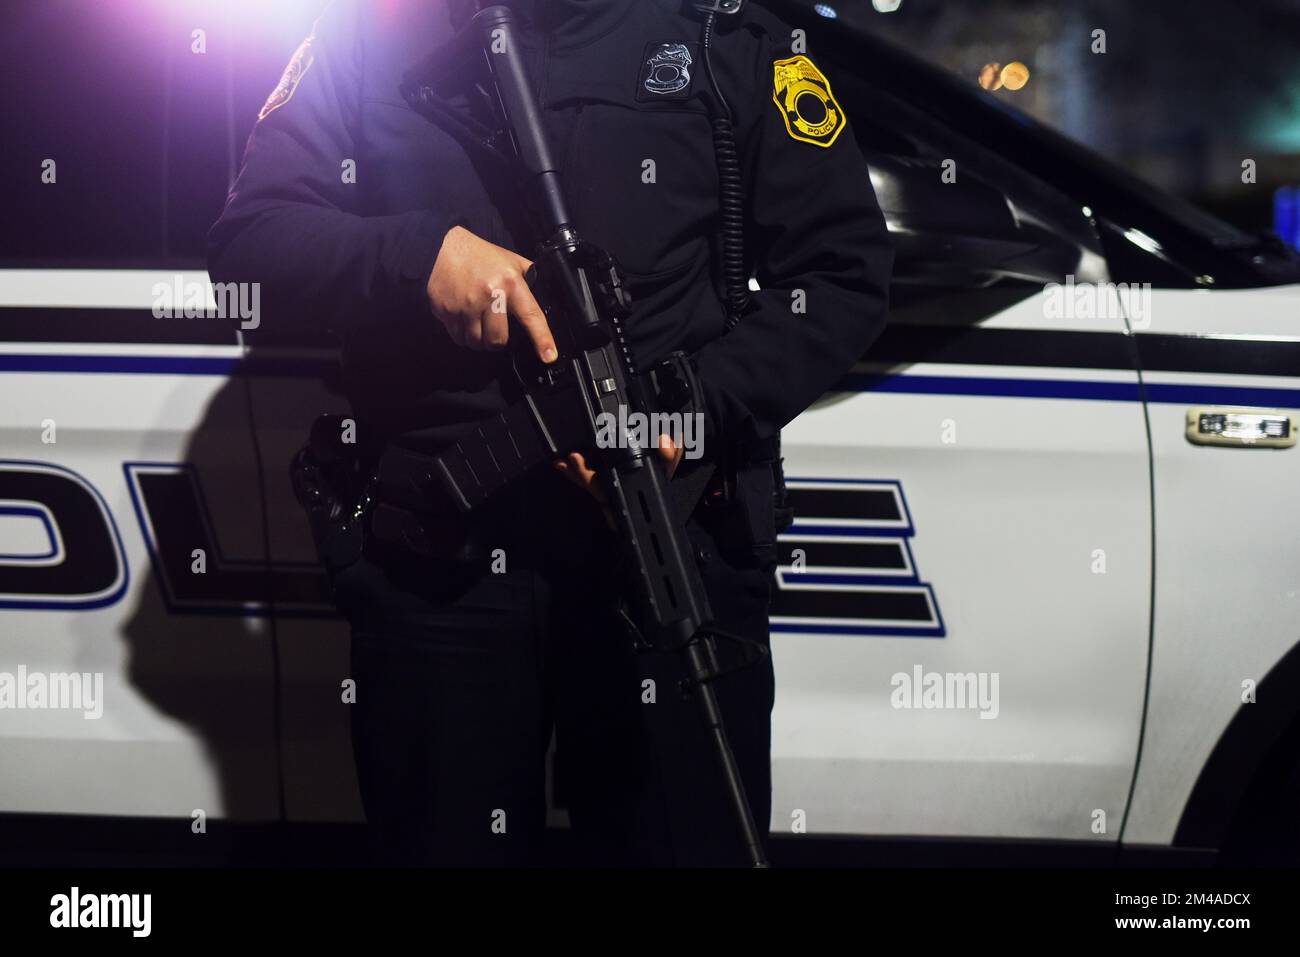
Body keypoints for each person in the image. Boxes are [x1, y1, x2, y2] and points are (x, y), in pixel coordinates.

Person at [208, 0, 892, 866]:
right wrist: (420, 261)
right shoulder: (367, 33)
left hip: (662, 545)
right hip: (442, 563)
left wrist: (693, 401)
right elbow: (250, 242)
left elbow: (843, 274)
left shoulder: (723, 32)